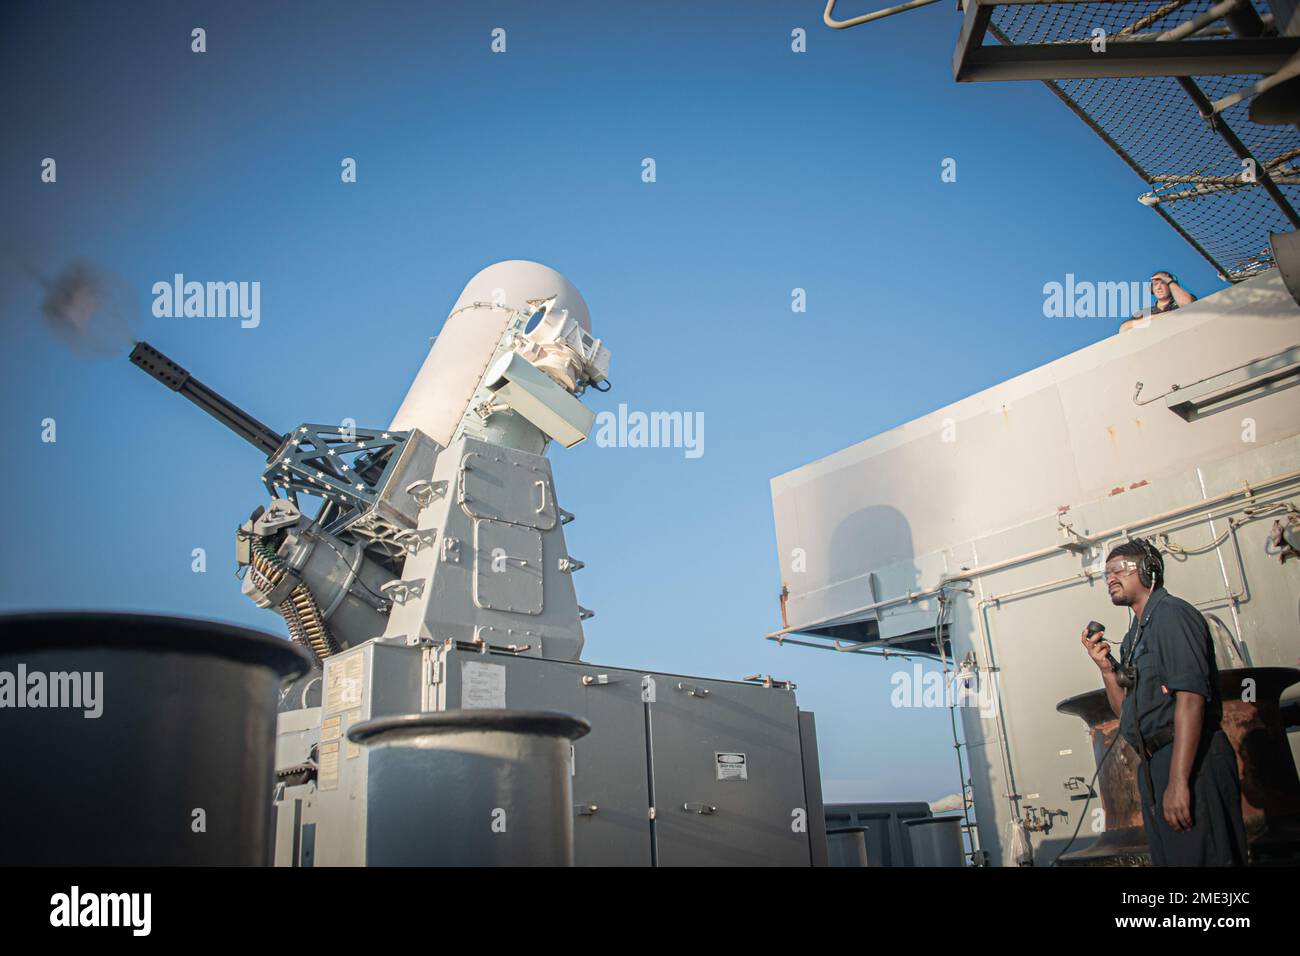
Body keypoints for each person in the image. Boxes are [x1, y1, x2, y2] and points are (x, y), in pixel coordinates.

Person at [1080, 538, 1248, 865]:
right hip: (1156, 765)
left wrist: (1178, 781)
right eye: (1106, 574)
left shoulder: (1173, 616)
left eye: (1118, 570)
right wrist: (1105, 669)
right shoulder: (1134, 636)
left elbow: (1190, 699)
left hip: (1190, 760)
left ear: (1149, 570)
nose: (1110, 579)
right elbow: (1124, 712)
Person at [1119, 271, 1196, 332]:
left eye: (1163, 283)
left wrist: (1169, 280)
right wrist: (1164, 315)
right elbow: (1124, 328)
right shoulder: (1145, 312)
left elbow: (1189, 305)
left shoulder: (1182, 300)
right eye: (1155, 284)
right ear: (1152, 289)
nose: (1159, 287)